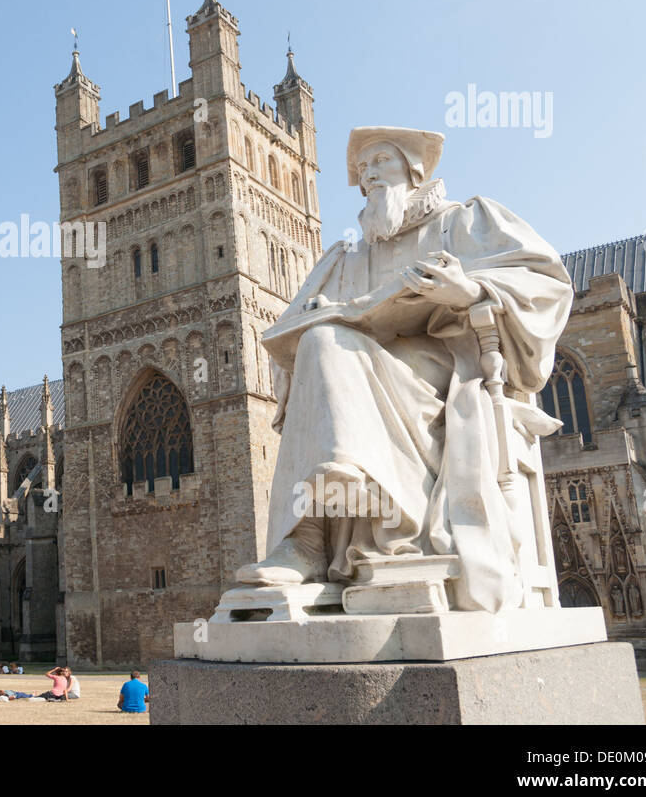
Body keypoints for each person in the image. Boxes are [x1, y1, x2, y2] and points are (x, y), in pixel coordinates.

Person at [238, 126, 574, 613]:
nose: (368, 174)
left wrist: (470, 291)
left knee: (330, 347)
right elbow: (291, 331)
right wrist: (321, 309)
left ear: (414, 170)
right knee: (320, 340)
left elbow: (547, 281)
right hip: (360, 368)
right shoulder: (346, 257)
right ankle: (306, 537)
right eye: (361, 170)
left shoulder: (463, 222)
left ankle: (313, 539)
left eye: (380, 161)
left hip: (448, 368)